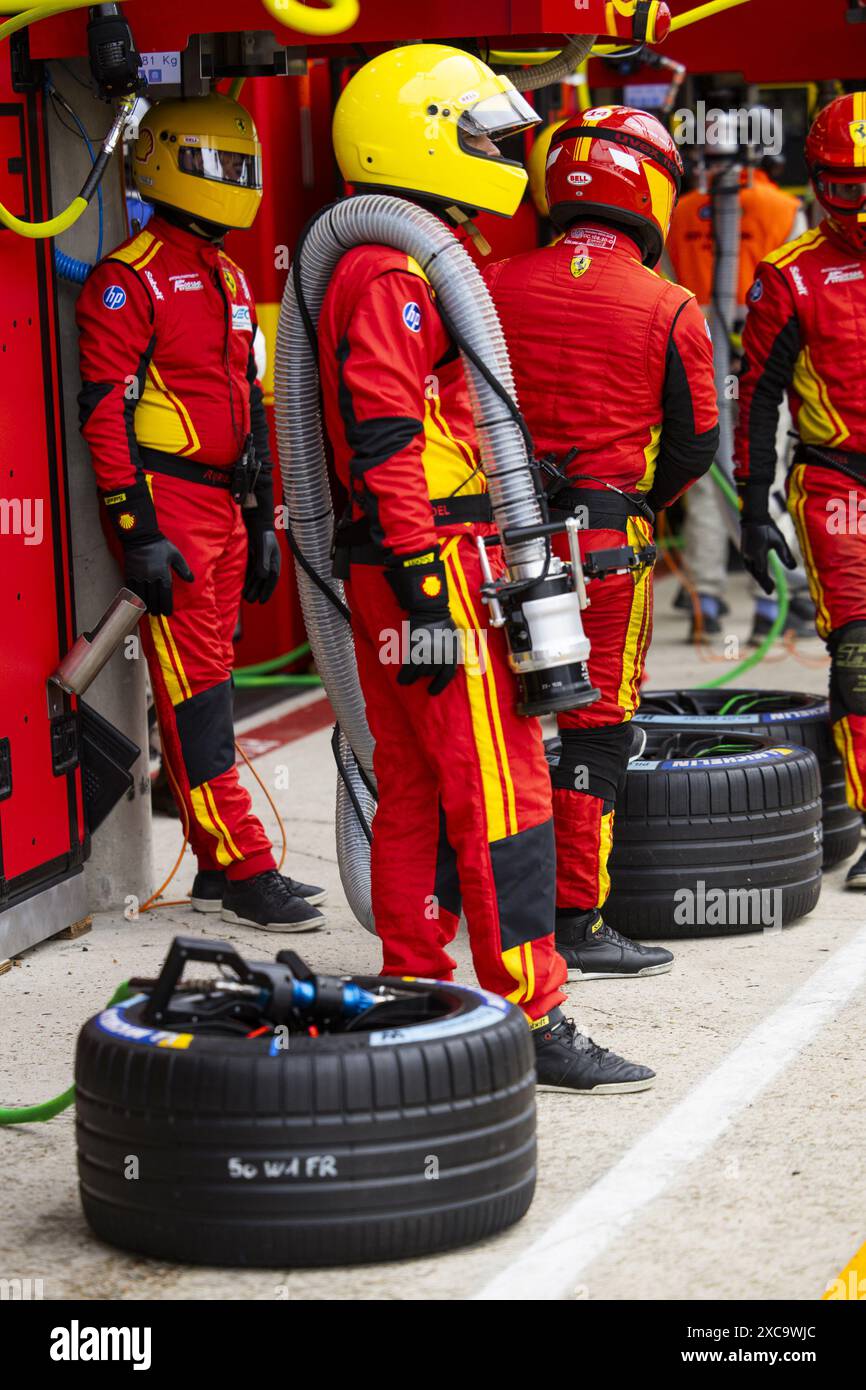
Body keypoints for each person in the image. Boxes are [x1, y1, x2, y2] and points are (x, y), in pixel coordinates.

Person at [318, 46, 655, 1092]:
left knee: (414, 780)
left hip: (406, 557)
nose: (499, 155)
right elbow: (381, 437)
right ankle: (530, 1006)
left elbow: (422, 425)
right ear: (418, 136)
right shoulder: (390, 269)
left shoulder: (389, 261)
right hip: (428, 564)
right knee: (502, 784)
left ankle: (417, 979)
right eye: (480, 136)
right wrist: (427, 573)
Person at [77, 93, 325, 932]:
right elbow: (103, 412)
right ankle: (248, 866)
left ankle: (219, 866)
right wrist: (137, 529)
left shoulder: (226, 271)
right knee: (196, 697)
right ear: (165, 160)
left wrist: (261, 518)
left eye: (243, 168)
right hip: (170, 505)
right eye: (220, 166)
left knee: (210, 678)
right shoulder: (128, 277)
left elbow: (250, 400)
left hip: (222, 505)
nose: (235, 183)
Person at [484, 105, 719, 966]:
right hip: (602, 550)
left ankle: (469, 902)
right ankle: (575, 921)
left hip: (487, 541)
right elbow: (695, 445)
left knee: (486, 719)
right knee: (593, 724)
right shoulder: (670, 305)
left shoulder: (489, 278)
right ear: (651, 188)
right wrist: (634, 502)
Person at [733, 91, 866, 890]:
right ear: (818, 183)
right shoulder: (789, 276)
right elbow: (755, 398)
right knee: (859, 654)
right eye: (849, 187)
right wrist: (753, 506)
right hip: (837, 480)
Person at [667, 108, 811, 644]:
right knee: (760, 475)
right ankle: (782, 596)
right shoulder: (782, 208)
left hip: (704, 360)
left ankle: (707, 598)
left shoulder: (680, 211)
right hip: (759, 360)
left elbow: (667, 291)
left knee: (711, 478)